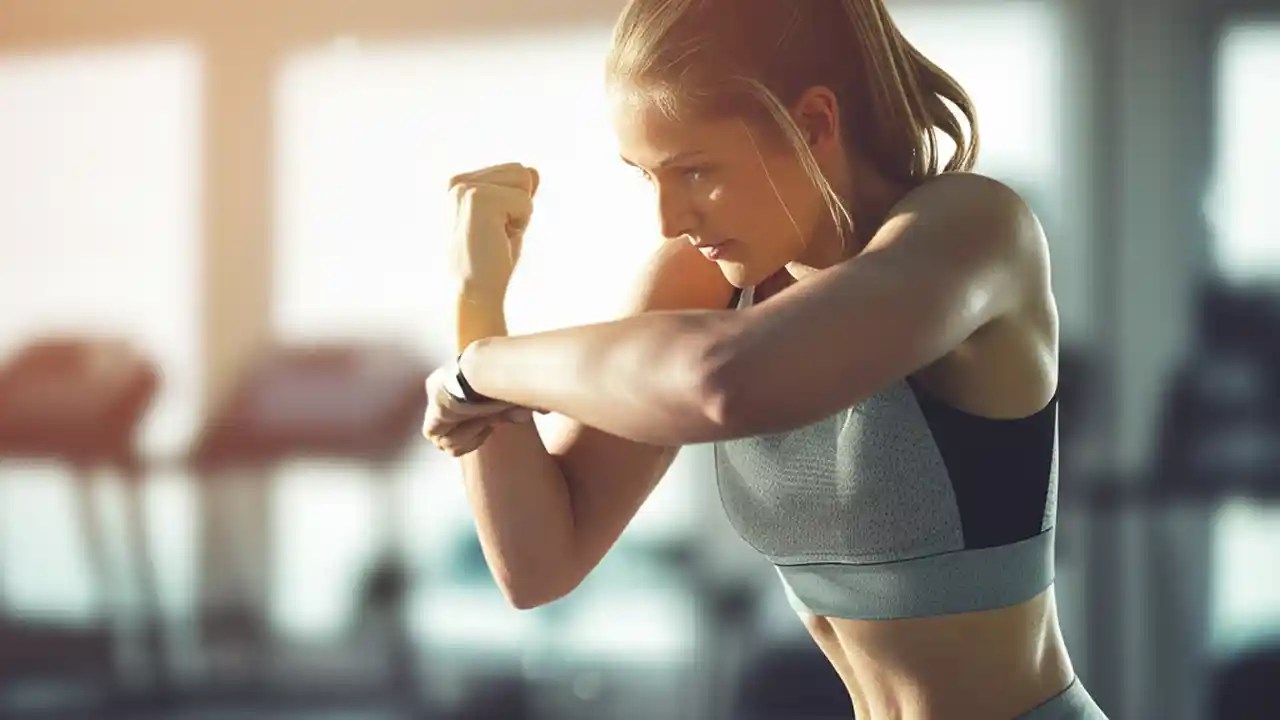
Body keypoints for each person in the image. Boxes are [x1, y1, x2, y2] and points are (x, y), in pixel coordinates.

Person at [422, 1, 1107, 717]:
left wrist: (485, 370)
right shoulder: (709, 280)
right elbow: (538, 563)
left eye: (695, 171)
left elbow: (723, 381)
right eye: (647, 176)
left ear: (812, 123)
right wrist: (478, 302)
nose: (669, 220)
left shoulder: (975, 231)